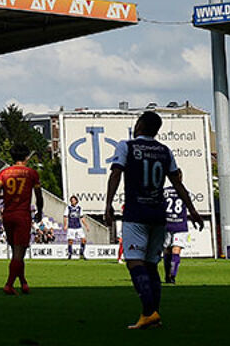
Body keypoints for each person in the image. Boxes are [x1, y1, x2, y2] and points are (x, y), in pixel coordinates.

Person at [104, 112, 204, 330]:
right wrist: (193, 210)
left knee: (134, 261)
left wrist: (108, 204)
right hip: (159, 215)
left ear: (139, 125)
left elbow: (116, 174)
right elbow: (177, 183)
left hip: (136, 213)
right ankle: (152, 316)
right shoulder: (165, 151)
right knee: (151, 265)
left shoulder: (126, 146)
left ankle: (149, 312)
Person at [0, 145, 42, 295]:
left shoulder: (3, 173)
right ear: (26, 158)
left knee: (16, 252)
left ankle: (24, 283)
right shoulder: (31, 173)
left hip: (8, 215)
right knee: (19, 252)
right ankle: (9, 284)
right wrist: (40, 211)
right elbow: (38, 195)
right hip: (22, 215)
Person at [161, 185, 190, 284]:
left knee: (167, 251)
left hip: (167, 224)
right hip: (180, 224)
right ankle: (172, 275)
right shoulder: (184, 191)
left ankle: (167, 275)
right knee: (176, 250)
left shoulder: (165, 191)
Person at [65, 196, 86, 260]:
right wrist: (65, 225)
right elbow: (65, 216)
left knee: (83, 240)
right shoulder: (68, 208)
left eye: (74, 200)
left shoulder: (79, 208)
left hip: (78, 226)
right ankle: (70, 254)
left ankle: (81, 253)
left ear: (76, 201)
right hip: (71, 226)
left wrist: (86, 225)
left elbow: (82, 217)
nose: (72, 201)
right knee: (70, 241)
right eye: (71, 200)